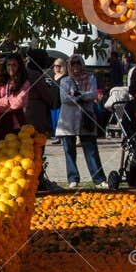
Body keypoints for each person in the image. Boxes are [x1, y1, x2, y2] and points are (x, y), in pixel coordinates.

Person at [56, 53, 107, 188]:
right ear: (69, 66)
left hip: (86, 118)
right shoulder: (65, 81)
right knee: (69, 150)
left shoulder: (90, 78)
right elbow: (64, 99)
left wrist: (78, 95)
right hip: (68, 120)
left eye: (78, 63)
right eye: (73, 64)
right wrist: (83, 96)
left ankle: (99, 179)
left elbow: (94, 94)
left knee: (91, 149)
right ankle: (73, 178)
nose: (76, 67)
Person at [0, 55, 32, 143]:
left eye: (14, 65)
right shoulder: (0, 82)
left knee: (15, 149)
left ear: (19, 66)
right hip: (0, 121)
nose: (11, 67)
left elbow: (18, 103)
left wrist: (1, 102)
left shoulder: (24, 82)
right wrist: (8, 101)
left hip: (16, 122)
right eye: (8, 65)